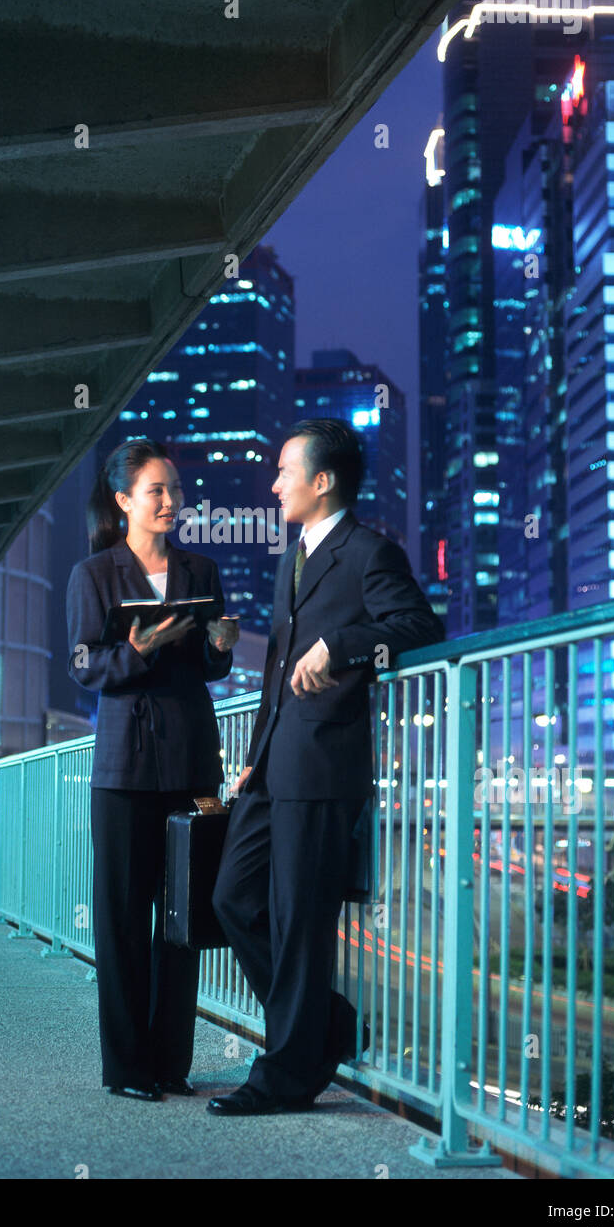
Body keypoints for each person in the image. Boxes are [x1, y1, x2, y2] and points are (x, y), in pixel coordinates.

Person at [208, 418, 445, 1116]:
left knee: (297, 923)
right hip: (273, 763)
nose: (274, 482)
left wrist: (340, 646)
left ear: (323, 480)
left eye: (285, 471)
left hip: (323, 767)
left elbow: (418, 629)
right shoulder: (293, 557)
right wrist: (250, 761)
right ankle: (329, 1027)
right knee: (232, 899)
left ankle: (284, 1075)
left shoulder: (370, 552)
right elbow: (276, 669)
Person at [67, 439, 239, 1103]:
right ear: (122, 502)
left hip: (192, 760)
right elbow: (84, 665)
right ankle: (127, 1068)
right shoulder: (96, 574)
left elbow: (211, 666)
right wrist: (136, 651)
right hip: (123, 767)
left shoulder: (201, 570)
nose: (169, 502)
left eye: (174, 489)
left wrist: (219, 648)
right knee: (120, 919)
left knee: (183, 918)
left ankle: (172, 1062)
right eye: (155, 491)